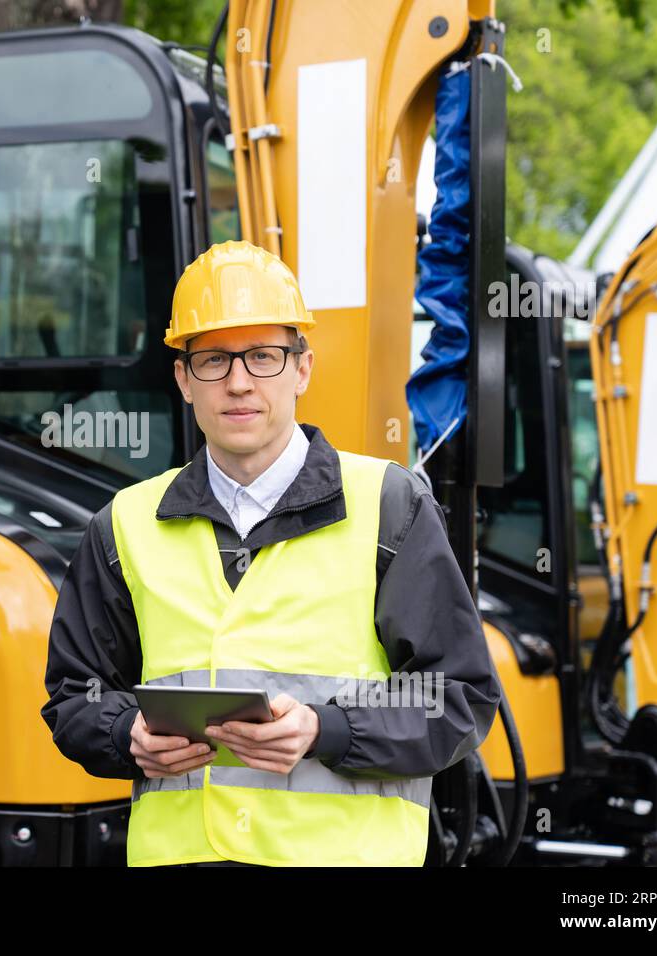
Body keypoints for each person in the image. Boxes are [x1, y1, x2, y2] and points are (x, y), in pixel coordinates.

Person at [39, 240, 501, 866]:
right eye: (213, 361)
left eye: (263, 357)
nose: (238, 383)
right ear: (182, 379)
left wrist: (325, 729)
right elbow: (74, 696)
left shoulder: (390, 507)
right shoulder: (124, 526)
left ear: (302, 369)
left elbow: (457, 697)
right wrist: (127, 736)